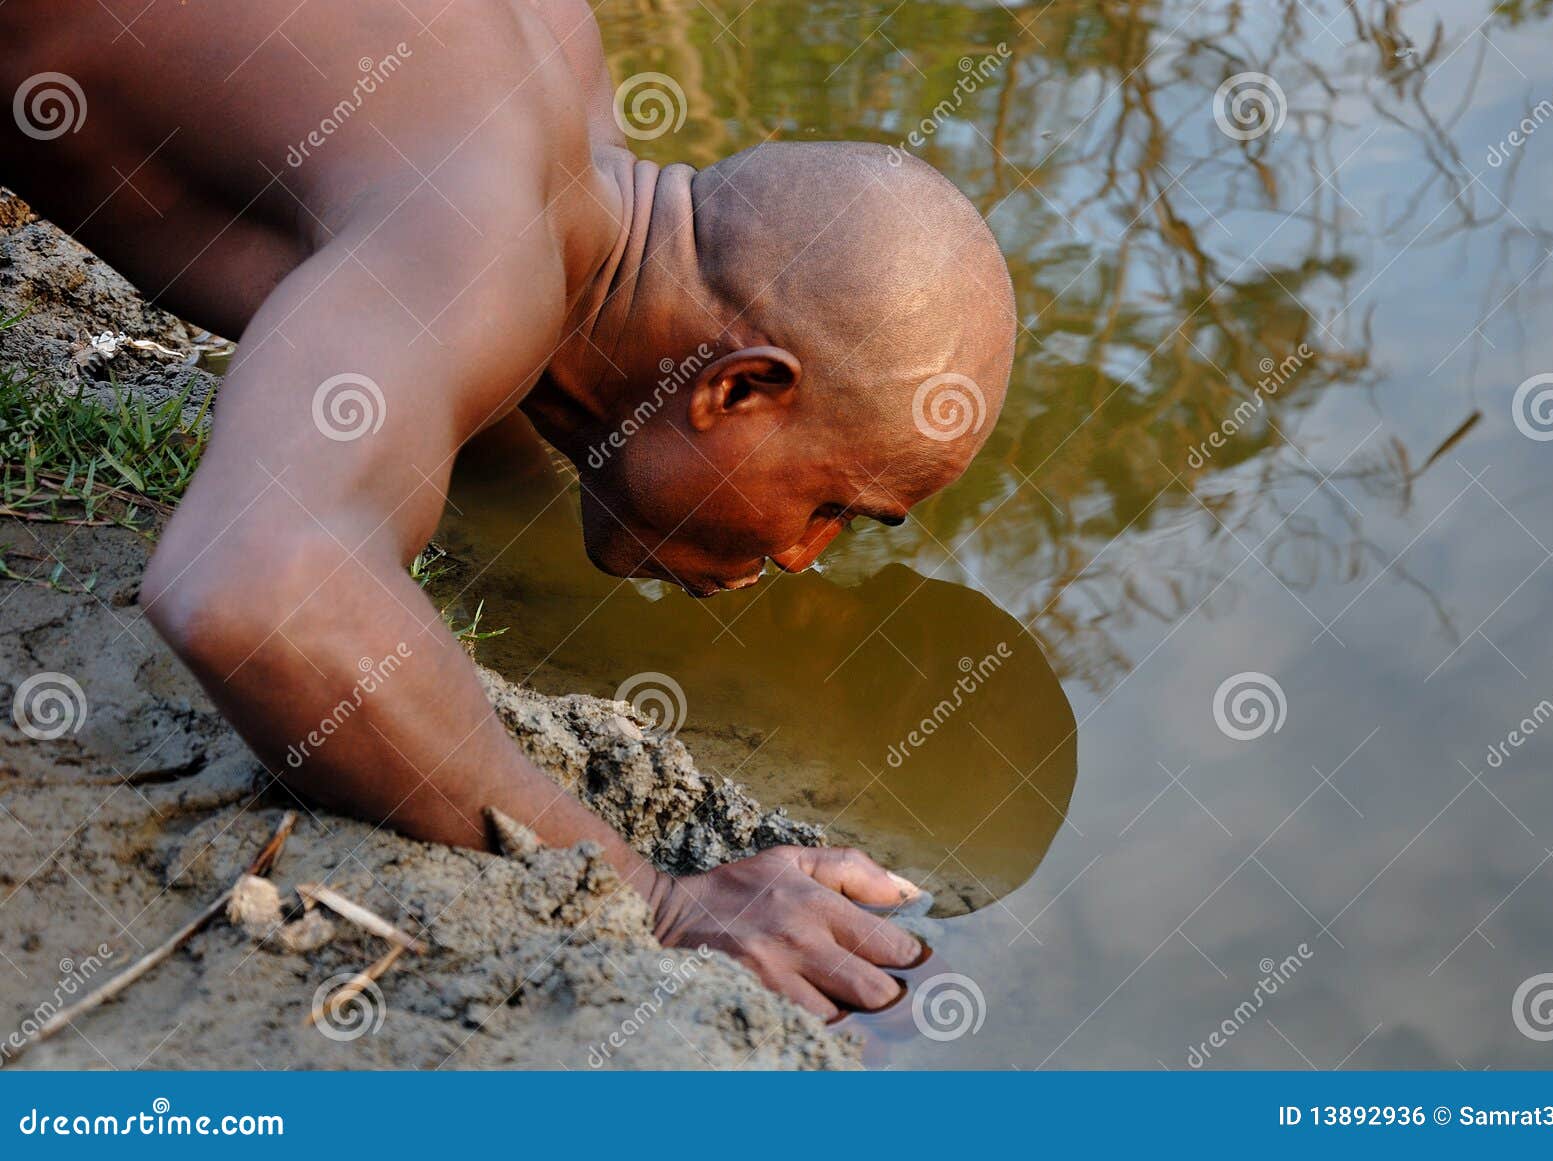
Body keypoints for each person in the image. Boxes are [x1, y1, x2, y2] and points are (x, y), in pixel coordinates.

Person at [0, 0, 1015, 1019]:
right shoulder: (479, 234)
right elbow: (257, 590)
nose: (801, 557)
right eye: (832, 506)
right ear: (738, 390)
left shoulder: (553, 103)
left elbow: (474, 383)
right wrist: (654, 900)